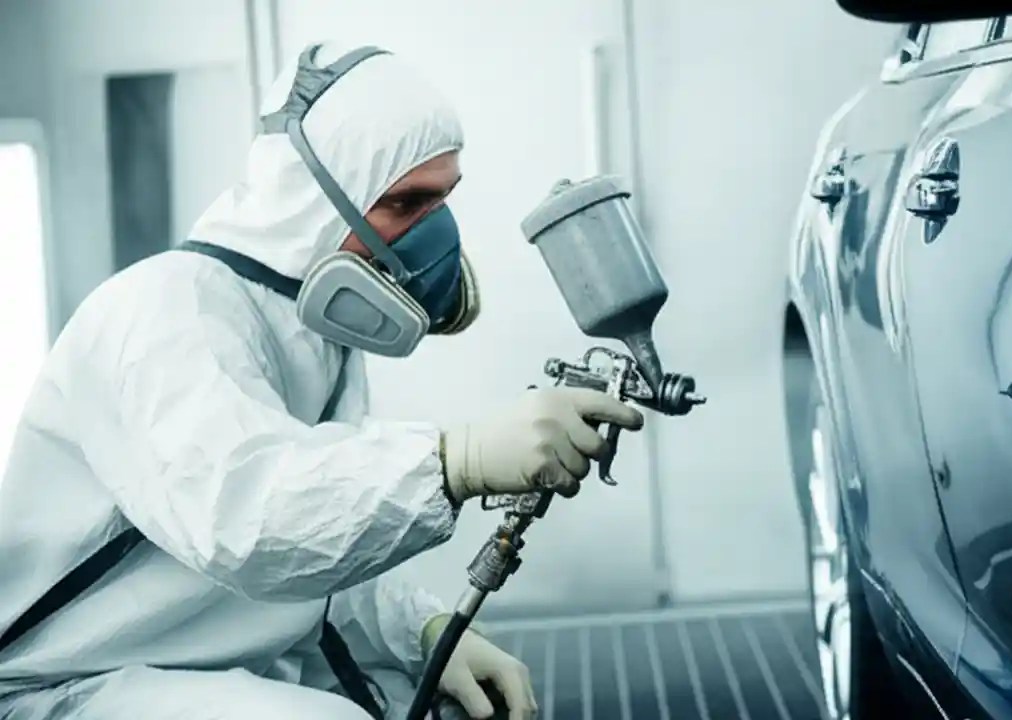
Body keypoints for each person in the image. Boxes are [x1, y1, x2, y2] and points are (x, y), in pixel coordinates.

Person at [0, 41, 643, 720]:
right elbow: (251, 520)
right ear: (318, 204)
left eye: (443, 201)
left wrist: (419, 632)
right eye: (407, 203)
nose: (435, 238)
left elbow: (317, 556)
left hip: (208, 659)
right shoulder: (162, 313)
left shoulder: (313, 334)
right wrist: (459, 460)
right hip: (59, 683)